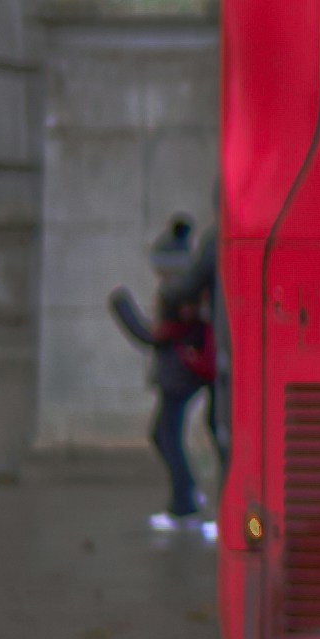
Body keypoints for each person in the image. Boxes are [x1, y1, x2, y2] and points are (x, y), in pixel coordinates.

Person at [109, 215, 225, 536]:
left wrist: (123, 309)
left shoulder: (177, 296)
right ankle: (187, 496)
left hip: (181, 375)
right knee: (170, 433)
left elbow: (154, 336)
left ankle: (186, 504)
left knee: (170, 434)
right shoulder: (183, 292)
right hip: (184, 373)